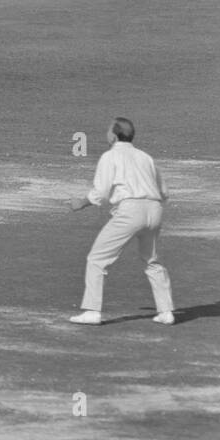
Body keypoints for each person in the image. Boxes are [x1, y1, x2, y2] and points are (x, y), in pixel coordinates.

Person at [67, 118, 175, 326]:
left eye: (108, 131)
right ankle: (166, 312)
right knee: (152, 261)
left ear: (114, 136)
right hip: (154, 210)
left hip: (130, 210)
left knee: (97, 259)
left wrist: (80, 203)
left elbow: (100, 192)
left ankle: (92, 311)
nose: (106, 134)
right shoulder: (145, 157)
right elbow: (164, 192)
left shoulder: (110, 156)